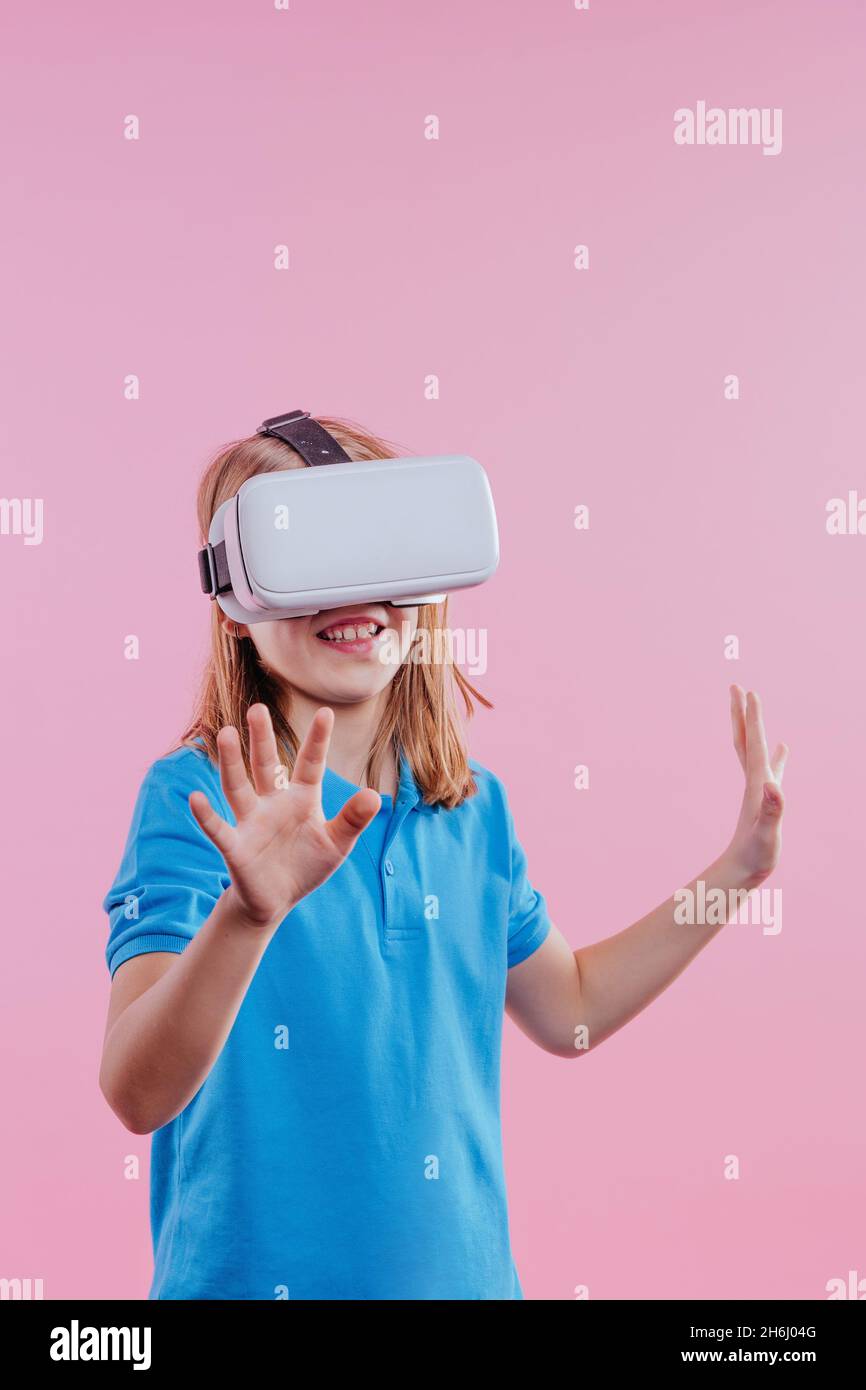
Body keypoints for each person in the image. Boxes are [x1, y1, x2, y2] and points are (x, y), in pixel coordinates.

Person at [100, 415, 787, 1300]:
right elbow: (136, 1093)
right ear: (235, 604)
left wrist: (736, 872)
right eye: (307, 552)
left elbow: (568, 1011)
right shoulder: (197, 799)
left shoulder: (473, 810)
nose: (356, 595)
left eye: (385, 548)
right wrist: (248, 913)